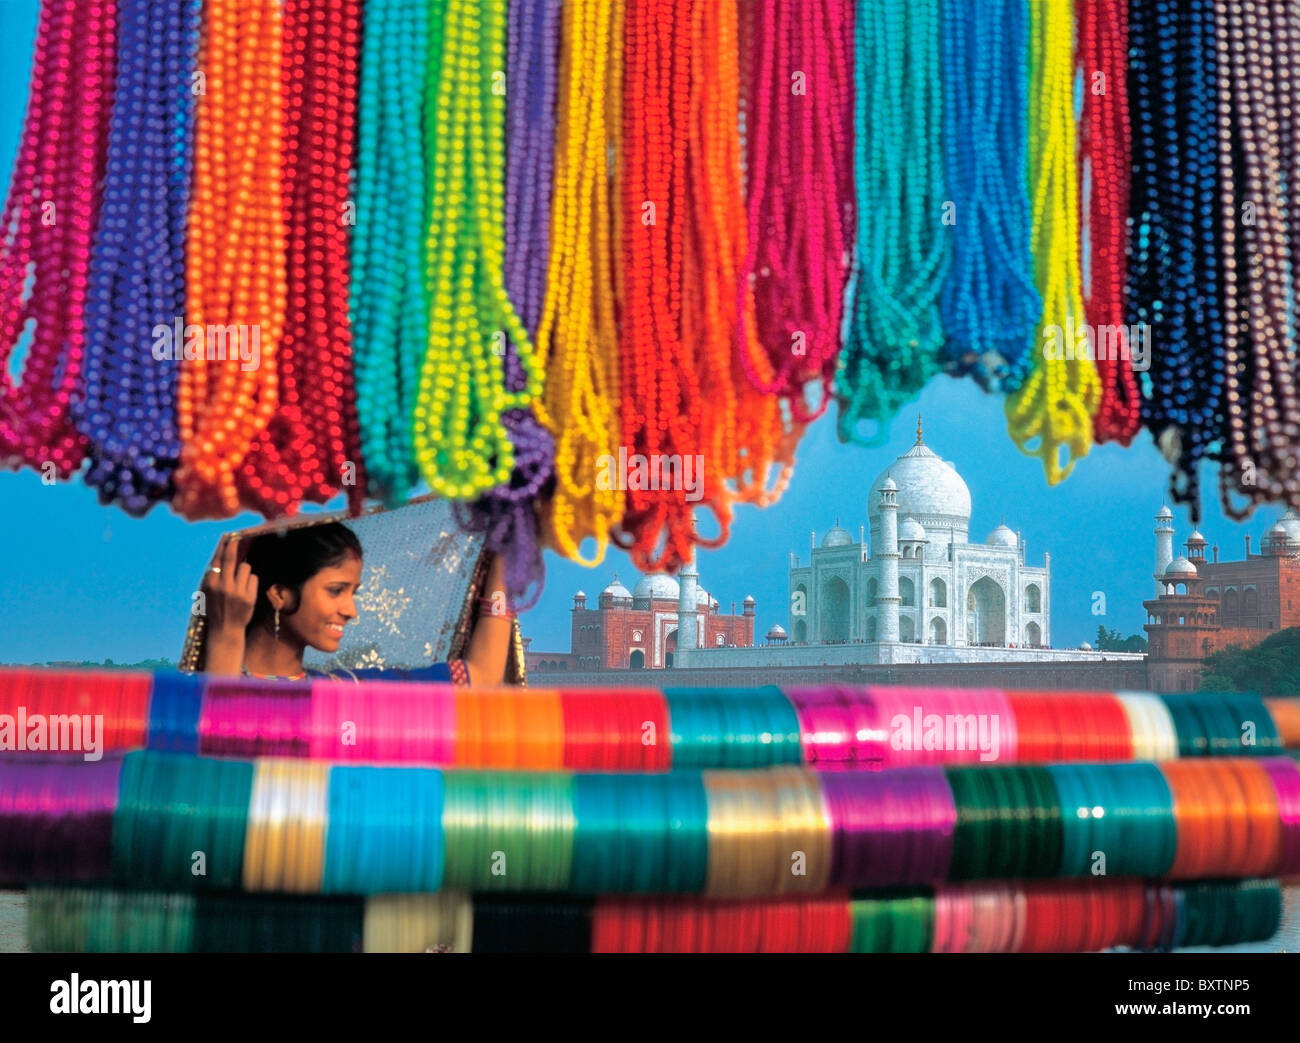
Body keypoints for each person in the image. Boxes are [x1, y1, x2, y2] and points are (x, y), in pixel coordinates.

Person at [198, 522, 514, 685]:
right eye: (336, 590)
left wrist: (512, 539)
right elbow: (214, 763)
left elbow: (480, 679)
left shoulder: (348, 692)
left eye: (354, 593)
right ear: (280, 594)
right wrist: (226, 635)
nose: (352, 611)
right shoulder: (204, 689)